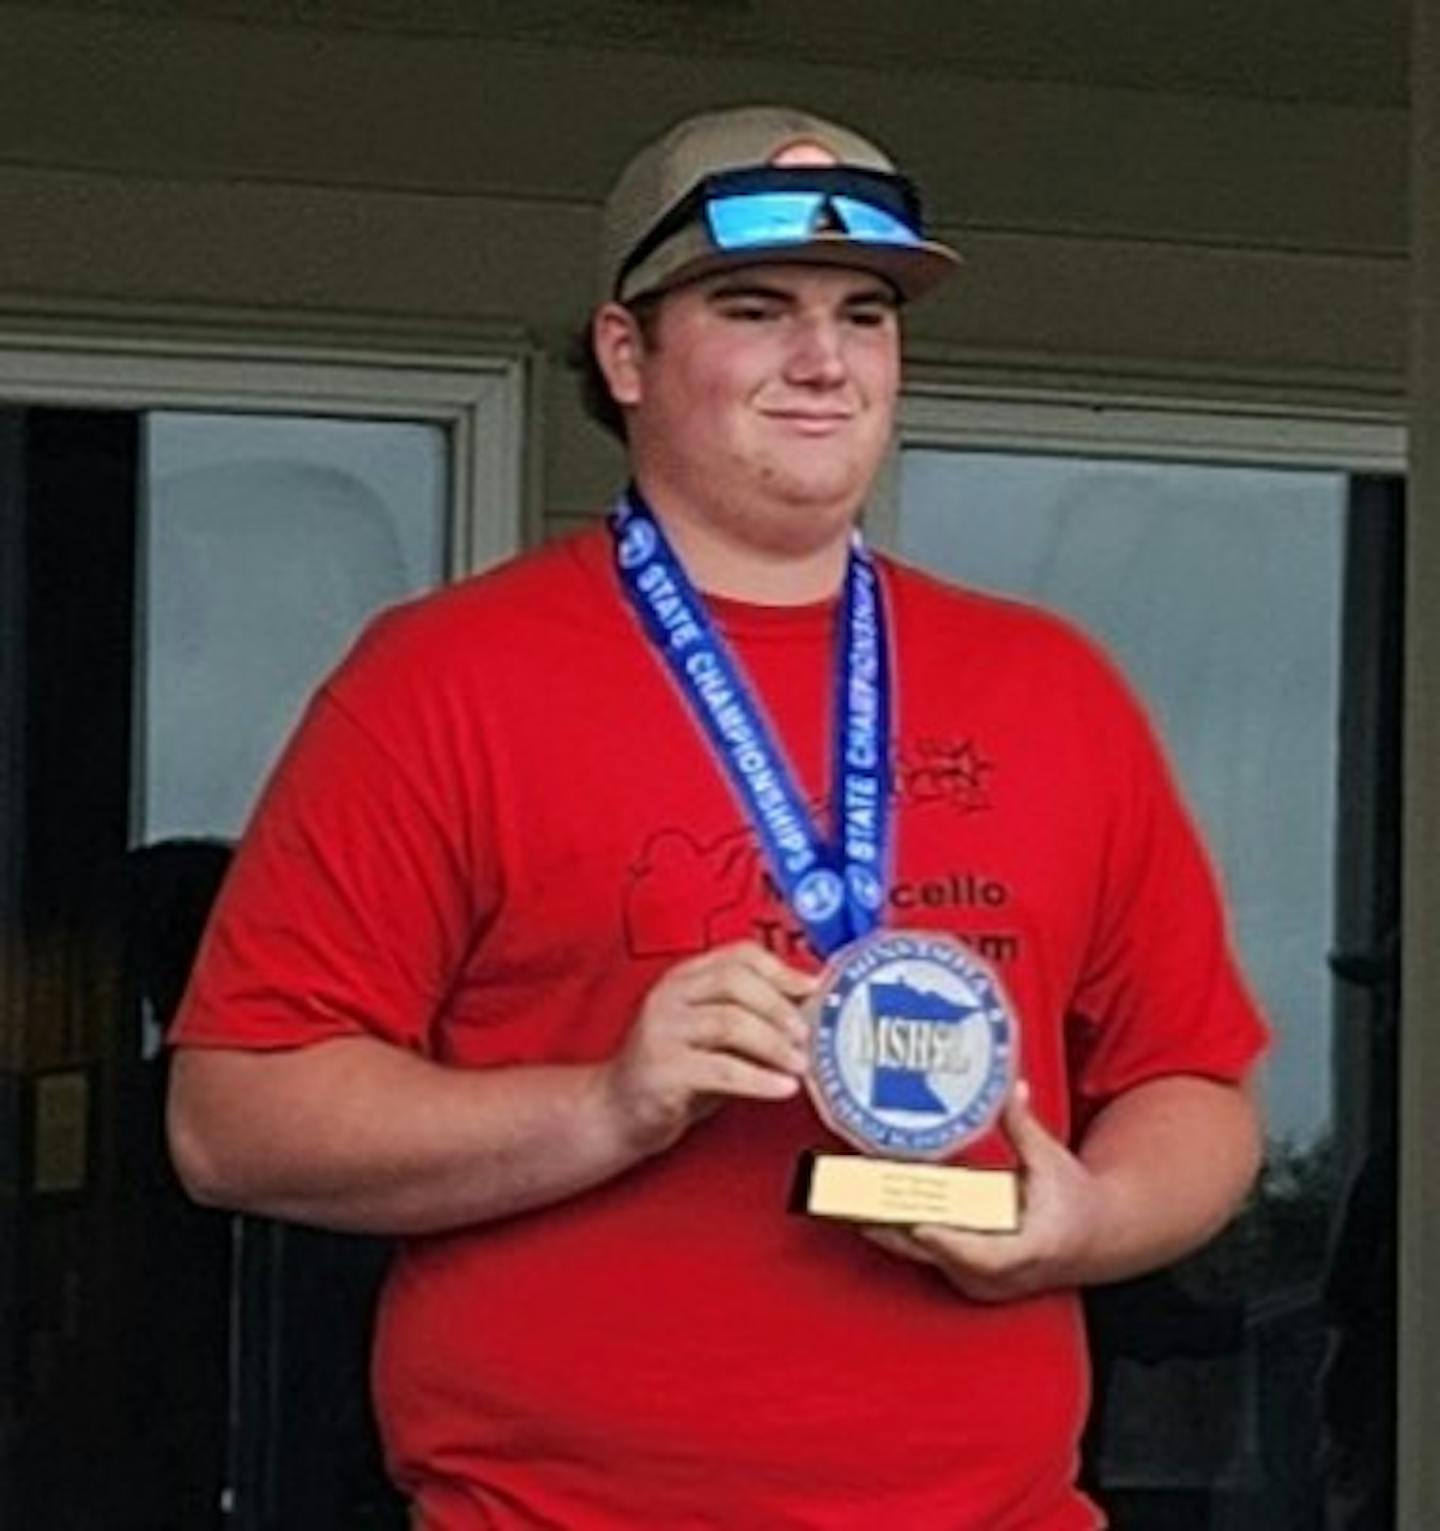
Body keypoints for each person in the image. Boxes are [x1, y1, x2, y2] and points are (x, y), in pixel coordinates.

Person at [168, 104, 1267, 1529]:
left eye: (863, 316)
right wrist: (605, 1106)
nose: (823, 361)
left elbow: (1197, 1089)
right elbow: (231, 1118)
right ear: (627, 353)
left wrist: (1090, 1222)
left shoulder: (1052, 686)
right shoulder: (444, 680)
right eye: (755, 309)